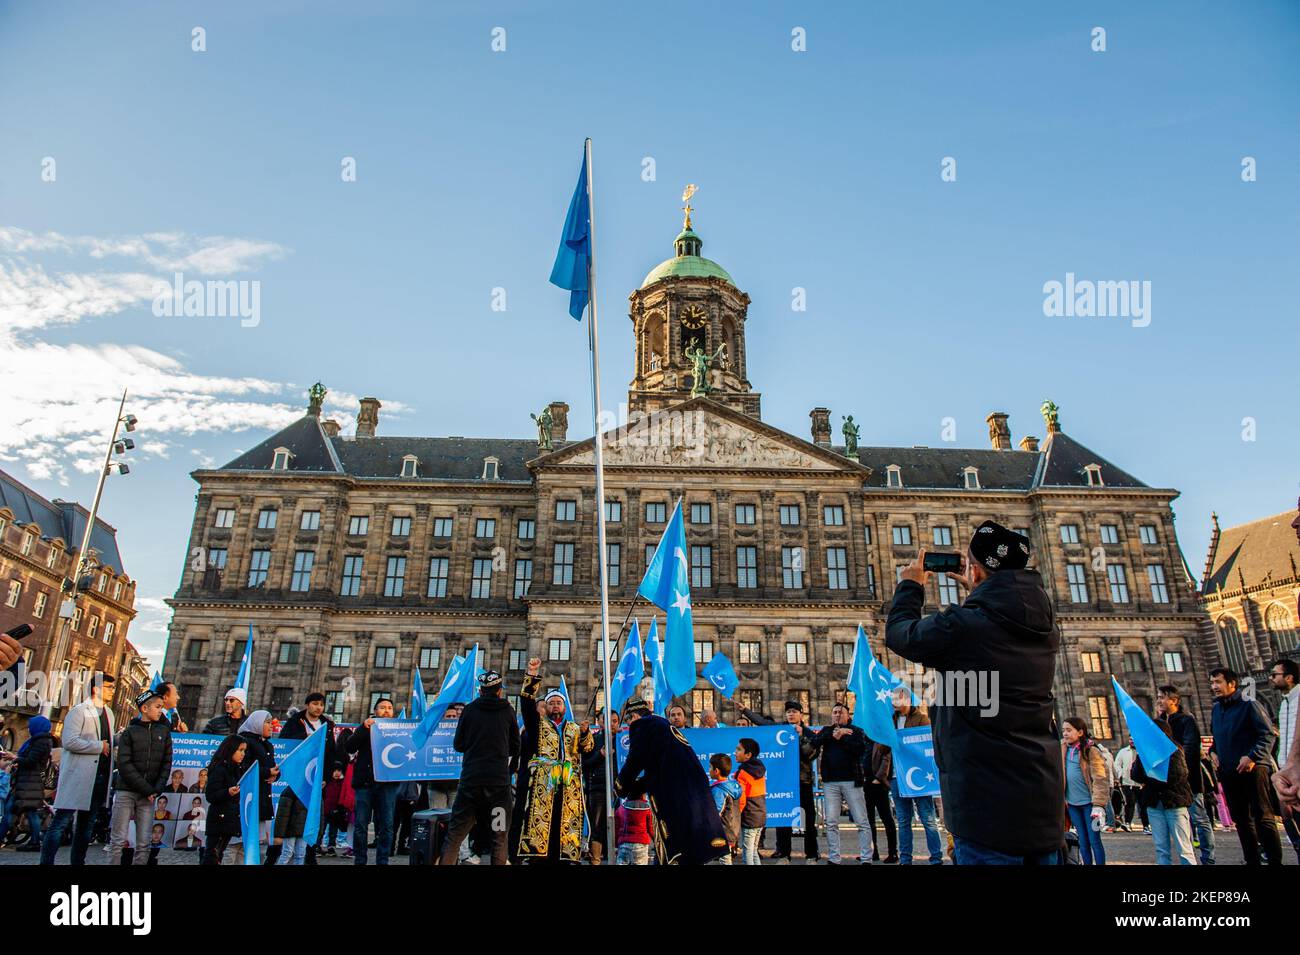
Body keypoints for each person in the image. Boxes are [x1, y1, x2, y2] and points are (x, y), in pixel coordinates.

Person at [886, 521, 1063, 865]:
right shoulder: (1044, 627)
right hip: (1041, 805)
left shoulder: (964, 627)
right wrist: (982, 592)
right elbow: (997, 625)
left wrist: (910, 585)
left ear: (977, 572)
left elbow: (899, 634)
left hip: (986, 813)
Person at [614, 698, 728, 865]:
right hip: (691, 789)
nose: (629, 724)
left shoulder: (641, 725)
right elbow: (657, 767)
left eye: (628, 720)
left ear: (635, 716)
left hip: (674, 792)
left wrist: (620, 786)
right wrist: (637, 786)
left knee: (673, 844)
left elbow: (635, 760)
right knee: (690, 843)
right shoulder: (662, 724)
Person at [517, 658, 593, 863]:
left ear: (565, 707)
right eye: (552, 703)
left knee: (566, 822)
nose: (556, 706)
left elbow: (587, 750)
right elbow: (526, 705)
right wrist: (532, 675)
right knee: (542, 822)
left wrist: (586, 734)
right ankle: (538, 857)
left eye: (559, 702)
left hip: (569, 784)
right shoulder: (538, 726)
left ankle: (566, 857)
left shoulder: (575, 728)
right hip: (545, 783)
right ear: (546, 707)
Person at [439, 670, 518, 865]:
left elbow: (458, 745)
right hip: (498, 785)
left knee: (455, 836)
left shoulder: (469, 710)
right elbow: (516, 747)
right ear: (499, 691)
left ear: (481, 691)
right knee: (499, 837)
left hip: (471, 784)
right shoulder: (508, 710)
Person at [1209, 666, 1283, 865]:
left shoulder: (1249, 704)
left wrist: (1252, 757)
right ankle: (1252, 860)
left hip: (1253, 769)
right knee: (1241, 821)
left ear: (1232, 684)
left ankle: (1275, 861)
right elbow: (1217, 739)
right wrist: (1213, 752)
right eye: (1212, 683)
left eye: (1218, 682)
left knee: (1263, 818)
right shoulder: (1216, 709)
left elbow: (1267, 734)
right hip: (1229, 771)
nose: (1214, 686)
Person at [41, 673, 116, 865]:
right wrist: (99, 746)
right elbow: (69, 741)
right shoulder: (79, 711)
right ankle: (46, 862)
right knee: (61, 822)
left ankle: (78, 863)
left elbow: (110, 742)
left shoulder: (109, 713)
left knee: (86, 826)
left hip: (99, 777)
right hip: (79, 776)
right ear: (96, 689)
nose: (112, 691)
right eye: (109, 687)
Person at [733, 698, 818, 861]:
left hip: (802, 782)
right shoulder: (781, 729)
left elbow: (812, 754)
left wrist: (801, 737)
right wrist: (745, 711)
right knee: (784, 821)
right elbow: (762, 723)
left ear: (801, 714)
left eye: (794, 711)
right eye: (788, 712)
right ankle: (785, 854)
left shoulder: (807, 733)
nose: (791, 714)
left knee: (808, 820)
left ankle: (812, 855)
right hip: (785, 782)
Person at [276, 691, 342, 865]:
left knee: (314, 816)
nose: (318, 708)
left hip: (318, 777)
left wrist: (327, 776)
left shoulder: (327, 724)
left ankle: (310, 855)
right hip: (298, 774)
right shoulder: (294, 722)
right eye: (315, 704)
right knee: (294, 816)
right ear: (307, 705)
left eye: (321, 705)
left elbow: (330, 753)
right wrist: (306, 738)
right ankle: (283, 854)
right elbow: (284, 743)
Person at [111, 688, 173, 865]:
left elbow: (166, 763)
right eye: (157, 707)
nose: (161, 710)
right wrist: (148, 789)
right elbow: (124, 764)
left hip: (150, 793)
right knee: (118, 840)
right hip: (127, 791)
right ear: (144, 709)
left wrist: (158, 787)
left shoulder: (164, 732)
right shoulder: (130, 732)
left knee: (144, 842)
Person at [1157, 685, 1214, 863]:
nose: (1159, 700)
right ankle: (1189, 858)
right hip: (1170, 782)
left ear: (1173, 701)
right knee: (1182, 822)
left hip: (1188, 779)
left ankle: (1208, 858)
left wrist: (1180, 768)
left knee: (1199, 818)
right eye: (1158, 697)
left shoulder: (1186, 720)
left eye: (1162, 697)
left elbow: (1191, 749)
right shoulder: (1160, 721)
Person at [810, 701, 871, 864]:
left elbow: (860, 751)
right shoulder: (827, 731)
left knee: (861, 821)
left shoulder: (856, 731)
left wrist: (843, 736)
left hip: (852, 781)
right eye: (835, 712)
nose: (837, 714)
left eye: (840, 712)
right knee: (831, 822)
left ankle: (866, 857)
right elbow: (815, 742)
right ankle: (834, 857)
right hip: (831, 782)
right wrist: (832, 734)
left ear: (847, 715)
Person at [888, 688, 944, 865]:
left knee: (927, 819)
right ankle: (905, 859)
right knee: (903, 820)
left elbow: (927, 745)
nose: (893, 702)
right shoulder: (891, 721)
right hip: (897, 777)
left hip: (918, 778)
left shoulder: (922, 718)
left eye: (896, 699)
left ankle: (936, 858)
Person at [1130, 718, 1195, 864]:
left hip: (1174, 804)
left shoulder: (1174, 749)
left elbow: (1177, 775)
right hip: (1154, 804)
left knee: (1184, 848)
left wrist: (1151, 778)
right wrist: (1140, 755)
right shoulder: (1145, 751)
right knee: (1161, 849)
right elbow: (1135, 775)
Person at [345, 698, 399, 865]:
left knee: (387, 827)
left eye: (389, 708)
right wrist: (363, 727)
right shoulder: (367, 728)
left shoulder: (398, 730)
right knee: (361, 825)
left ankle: (382, 861)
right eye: (382, 707)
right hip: (365, 784)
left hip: (387, 785)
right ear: (375, 711)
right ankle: (360, 860)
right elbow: (349, 747)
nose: (386, 710)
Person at [1061, 716, 1109, 865]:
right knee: (1082, 840)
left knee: (1094, 840)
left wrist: (1099, 804)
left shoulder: (1091, 751)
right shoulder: (1062, 749)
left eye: (1069, 730)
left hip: (1090, 804)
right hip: (1073, 804)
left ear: (1080, 732)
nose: (1065, 733)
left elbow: (1101, 779)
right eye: (1063, 730)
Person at [0, 715, 52, 850]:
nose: (29, 729)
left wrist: (15, 757)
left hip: (28, 782)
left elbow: (30, 761)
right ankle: (34, 841)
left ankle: (33, 842)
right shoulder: (40, 741)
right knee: (29, 811)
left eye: (31, 726)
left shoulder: (40, 742)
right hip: (29, 781)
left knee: (11, 810)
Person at [1268, 657, 1300, 861]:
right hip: (1286, 772)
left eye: (1275, 675)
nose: (1271, 679)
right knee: (1290, 822)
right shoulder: (1285, 702)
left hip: (1296, 772)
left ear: (1289, 677)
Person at [237, 710, 279, 862]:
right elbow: (244, 768)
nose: (270, 726)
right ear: (257, 724)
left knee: (256, 842)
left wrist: (275, 774)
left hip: (263, 796)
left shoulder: (268, 745)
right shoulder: (246, 742)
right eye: (267, 723)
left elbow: (272, 767)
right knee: (243, 842)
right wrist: (267, 771)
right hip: (251, 797)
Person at [201, 735, 247, 864]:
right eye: (240, 750)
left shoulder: (237, 769)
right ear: (230, 749)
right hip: (219, 819)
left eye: (244, 751)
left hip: (229, 818)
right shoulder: (220, 768)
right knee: (213, 855)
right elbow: (211, 795)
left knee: (218, 854)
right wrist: (227, 792)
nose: (242, 754)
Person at [582, 708, 619, 864]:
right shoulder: (593, 740)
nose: (611, 724)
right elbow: (584, 765)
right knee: (597, 827)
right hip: (597, 788)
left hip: (619, 790)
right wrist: (600, 755)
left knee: (619, 827)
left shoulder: (624, 740)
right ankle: (595, 859)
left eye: (614, 721)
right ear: (600, 722)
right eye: (607, 720)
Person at [864, 735, 898, 863]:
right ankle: (873, 852)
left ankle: (893, 852)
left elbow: (886, 758)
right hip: (865, 784)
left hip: (878, 785)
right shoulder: (863, 739)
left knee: (887, 818)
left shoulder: (881, 737)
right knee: (868, 820)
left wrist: (879, 778)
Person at [734, 737, 767, 865]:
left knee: (747, 853)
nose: (735, 752)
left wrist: (736, 817)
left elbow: (741, 799)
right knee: (753, 851)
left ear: (748, 755)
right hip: (760, 815)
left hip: (749, 816)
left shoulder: (742, 773)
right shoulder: (759, 769)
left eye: (738, 749)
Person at [708, 753, 742, 864]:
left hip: (724, 831)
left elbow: (715, 812)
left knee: (725, 859)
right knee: (726, 858)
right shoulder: (733, 786)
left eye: (710, 767)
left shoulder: (719, 790)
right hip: (733, 828)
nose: (709, 770)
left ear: (716, 771)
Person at [1112, 743, 1145, 832]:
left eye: (1133, 739)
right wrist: (1121, 773)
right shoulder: (1123, 752)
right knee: (1130, 803)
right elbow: (1117, 764)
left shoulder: (1143, 750)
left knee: (1143, 805)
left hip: (1141, 783)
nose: (1131, 741)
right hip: (1128, 782)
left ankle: (1146, 824)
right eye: (1130, 739)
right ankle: (1127, 822)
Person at [614, 793, 653, 865]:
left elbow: (616, 829)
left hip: (623, 844)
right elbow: (651, 829)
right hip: (641, 844)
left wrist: (616, 845)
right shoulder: (647, 809)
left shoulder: (621, 808)